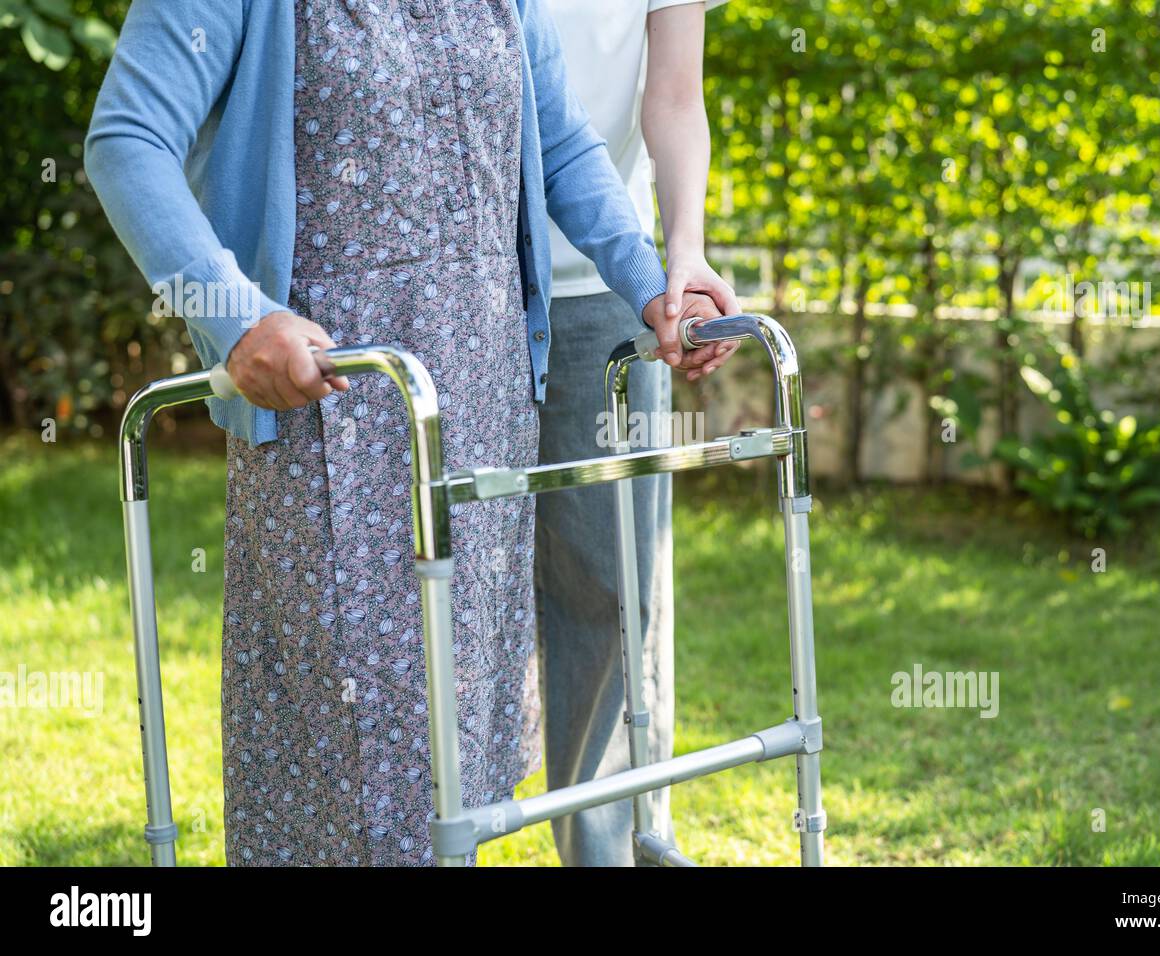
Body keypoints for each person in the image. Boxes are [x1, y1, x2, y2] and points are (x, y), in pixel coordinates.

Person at [85, 0, 733, 866]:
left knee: (452, 771)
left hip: (481, 423)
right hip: (330, 419)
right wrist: (235, 318)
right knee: (360, 762)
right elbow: (127, 142)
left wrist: (655, 285)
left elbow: (567, 150)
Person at [536, 0, 739, 866]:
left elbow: (675, 97)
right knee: (431, 579)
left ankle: (611, 848)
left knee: (616, 582)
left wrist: (681, 254)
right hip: (445, 281)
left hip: (607, 278)